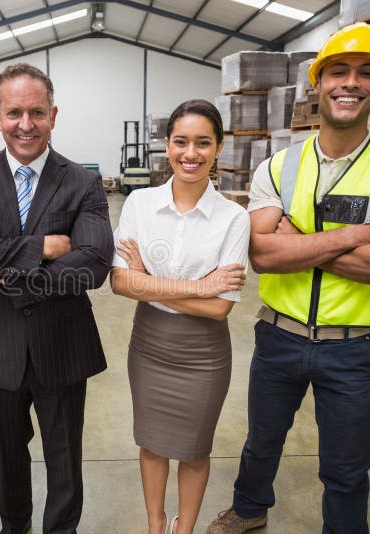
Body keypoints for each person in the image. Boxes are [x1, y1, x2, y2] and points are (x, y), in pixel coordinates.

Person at [206, 23, 370, 534]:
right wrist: (358, 235)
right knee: (261, 441)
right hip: (279, 335)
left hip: (353, 347)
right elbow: (262, 254)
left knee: (347, 469)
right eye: (338, 72)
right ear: (318, 82)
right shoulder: (278, 167)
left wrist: (300, 241)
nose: (350, 83)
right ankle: (249, 509)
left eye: (366, 73)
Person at [0, 63, 113, 534]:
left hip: (63, 344)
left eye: (37, 112)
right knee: (6, 455)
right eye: (14, 112)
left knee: (65, 459)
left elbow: (94, 264)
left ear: (53, 115)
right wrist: (45, 248)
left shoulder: (82, 182)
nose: (25, 124)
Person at [111, 99, 250, 534]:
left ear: (219, 147)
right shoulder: (140, 203)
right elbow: (121, 283)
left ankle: (183, 528)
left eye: (203, 143)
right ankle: (156, 525)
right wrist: (200, 286)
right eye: (181, 142)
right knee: (152, 446)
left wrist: (149, 282)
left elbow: (220, 307)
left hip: (204, 354)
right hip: (149, 346)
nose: (191, 153)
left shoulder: (234, 217)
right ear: (167, 145)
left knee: (194, 450)